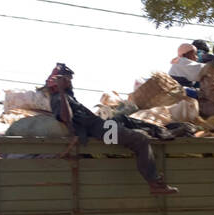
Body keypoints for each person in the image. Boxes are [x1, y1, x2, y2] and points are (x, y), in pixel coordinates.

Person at [45, 63, 178, 195]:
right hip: (101, 132)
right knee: (140, 140)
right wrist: (62, 91)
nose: (69, 82)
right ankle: (154, 183)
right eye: (67, 79)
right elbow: (65, 117)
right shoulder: (58, 98)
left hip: (102, 126)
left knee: (124, 119)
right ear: (58, 83)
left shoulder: (67, 96)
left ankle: (161, 131)